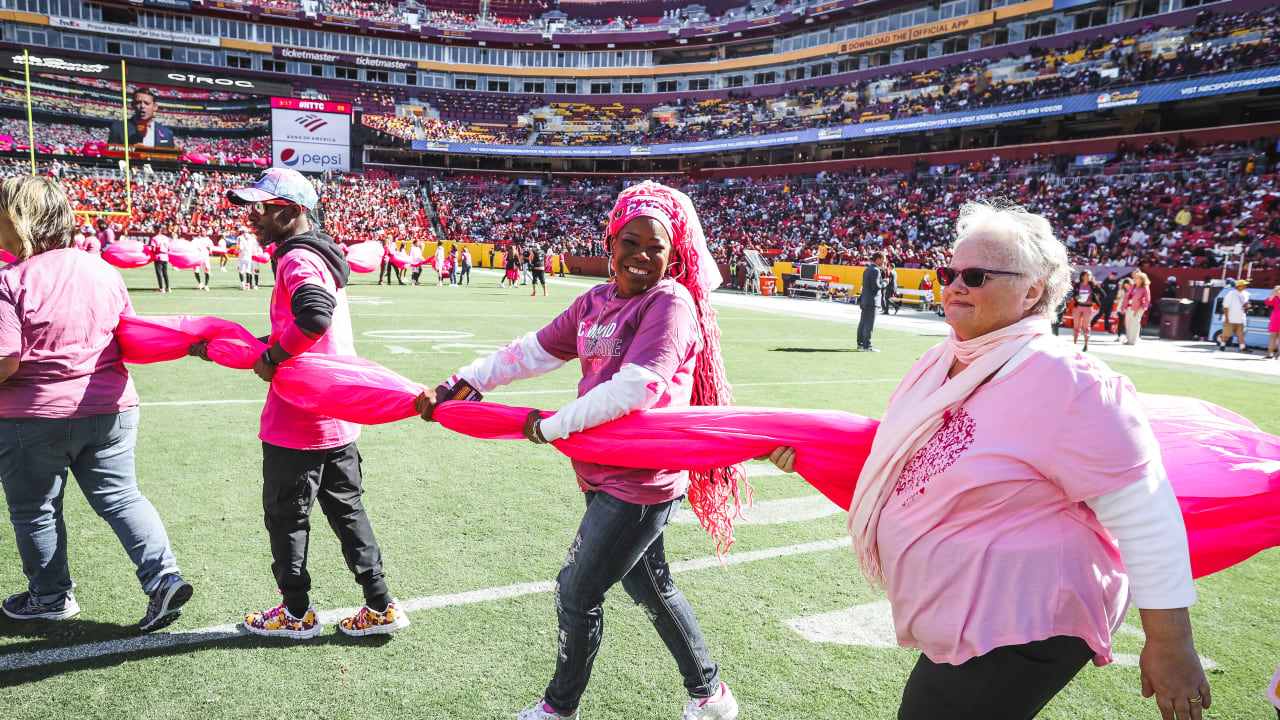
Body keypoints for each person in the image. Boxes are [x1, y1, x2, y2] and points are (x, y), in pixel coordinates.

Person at [766, 201, 1209, 720]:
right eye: (948, 272)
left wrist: (1171, 643)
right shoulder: (942, 358)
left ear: (1033, 289)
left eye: (975, 276)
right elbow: (913, 463)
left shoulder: (1068, 381)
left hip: (1028, 617)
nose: (954, 286)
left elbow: (1145, 513)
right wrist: (815, 459)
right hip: (973, 612)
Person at [415, 182, 740, 720]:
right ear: (609, 243)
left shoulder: (670, 303)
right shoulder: (596, 301)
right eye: (630, 242)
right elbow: (533, 352)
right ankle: (711, 695)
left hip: (641, 479)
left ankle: (559, 708)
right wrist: (462, 381)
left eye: (655, 247)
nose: (641, 255)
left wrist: (551, 427)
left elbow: (638, 387)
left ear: (673, 252)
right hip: (598, 472)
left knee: (576, 590)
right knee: (652, 585)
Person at [190, 168, 407, 639]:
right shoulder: (321, 255)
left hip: (299, 418)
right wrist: (246, 346)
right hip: (337, 416)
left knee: (287, 517)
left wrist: (272, 355)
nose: (252, 217)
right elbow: (307, 324)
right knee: (348, 511)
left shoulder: (295, 259)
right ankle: (380, 605)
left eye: (261, 208)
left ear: (289, 212)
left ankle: (295, 613)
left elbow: (313, 316)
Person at [0, 175, 192, 632]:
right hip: (112, 407)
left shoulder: (10, 279)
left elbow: (5, 359)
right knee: (122, 497)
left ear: (19, 221)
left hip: (34, 414)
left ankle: (50, 597)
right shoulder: (102, 269)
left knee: (35, 510)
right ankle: (163, 577)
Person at [107, 88, 176, 148]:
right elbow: (110, 157)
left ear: (155, 107)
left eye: (146, 103)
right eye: (138, 103)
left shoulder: (167, 133)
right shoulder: (118, 128)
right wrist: (131, 151)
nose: (142, 106)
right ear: (133, 105)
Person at [858, 251, 885, 352]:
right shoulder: (875, 270)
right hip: (871, 301)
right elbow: (876, 286)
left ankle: (860, 344)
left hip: (865, 299)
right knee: (869, 324)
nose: (884, 261)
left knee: (863, 323)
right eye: (883, 259)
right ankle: (867, 346)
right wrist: (884, 284)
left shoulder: (868, 269)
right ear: (878, 259)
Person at [1071, 270, 1101, 351]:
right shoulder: (1078, 285)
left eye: (1090, 275)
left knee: (1086, 326)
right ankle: (1074, 343)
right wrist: (1076, 297)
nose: (1089, 277)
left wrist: (1095, 301)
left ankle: (1086, 345)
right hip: (1078, 307)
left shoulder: (1093, 286)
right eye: (1087, 275)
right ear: (1082, 276)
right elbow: (1073, 294)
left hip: (1088, 307)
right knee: (1076, 325)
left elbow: (1103, 294)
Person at [1217, 280, 1251, 353]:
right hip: (1230, 318)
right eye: (1243, 285)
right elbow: (1225, 307)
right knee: (1226, 334)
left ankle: (1242, 347)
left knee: (1241, 334)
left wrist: (1248, 305)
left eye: (1246, 285)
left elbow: (1247, 302)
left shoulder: (1246, 294)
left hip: (1241, 318)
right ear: (1238, 286)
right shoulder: (1230, 294)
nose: (1245, 286)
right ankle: (1222, 345)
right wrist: (1226, 318)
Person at [1123, 271, 1151, 345]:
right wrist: (1123, 306)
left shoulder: (1145, 287)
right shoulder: (1133, 286)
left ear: (1142, 279)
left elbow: (1148, 299)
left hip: (1138, 308)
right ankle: (1128, 339)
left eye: (1137, 278)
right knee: (1128, 323)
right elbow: (1127, 296)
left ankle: (1133, 340)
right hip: (1129, 307)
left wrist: (1142, 307)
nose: (1135, 279)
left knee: (1135, 323)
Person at [148, 227, 171, 293]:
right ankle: (168, 287)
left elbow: (154, 249)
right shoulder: (166, 238)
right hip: (165, 257)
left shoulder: (154, 238)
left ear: (155, 230)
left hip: (158, 257)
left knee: (159, 273)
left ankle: (161, 288)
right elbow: (169, 248)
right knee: (165, 273)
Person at [236, 226, 258, 291]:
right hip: (250, 256)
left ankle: (243, 284)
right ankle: (248, 285)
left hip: (243, 255)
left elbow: (240, 248)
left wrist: (235, 251)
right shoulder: (252, 237)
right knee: (249, 271)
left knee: (241, 270)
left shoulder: (240, 237)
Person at [1114, 277, 1134, 342]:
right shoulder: (1121, 291)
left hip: (1129, 308)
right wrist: (1123, 297)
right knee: (1120, 322)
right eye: (1125, 285)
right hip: (1121, 308)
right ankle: (1119, 336)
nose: (1126, 286)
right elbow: (1118, 299)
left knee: (1129, 323)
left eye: (1127, 285)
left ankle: (1129, 337)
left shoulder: (1133, 290)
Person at [1266, 286, 1280, 360]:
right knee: (1273, 336)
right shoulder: (1275, 297)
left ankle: (1279, 355)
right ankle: (1270, 353)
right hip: (1275, 318)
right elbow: (1267, 302)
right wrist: (1273, 295)